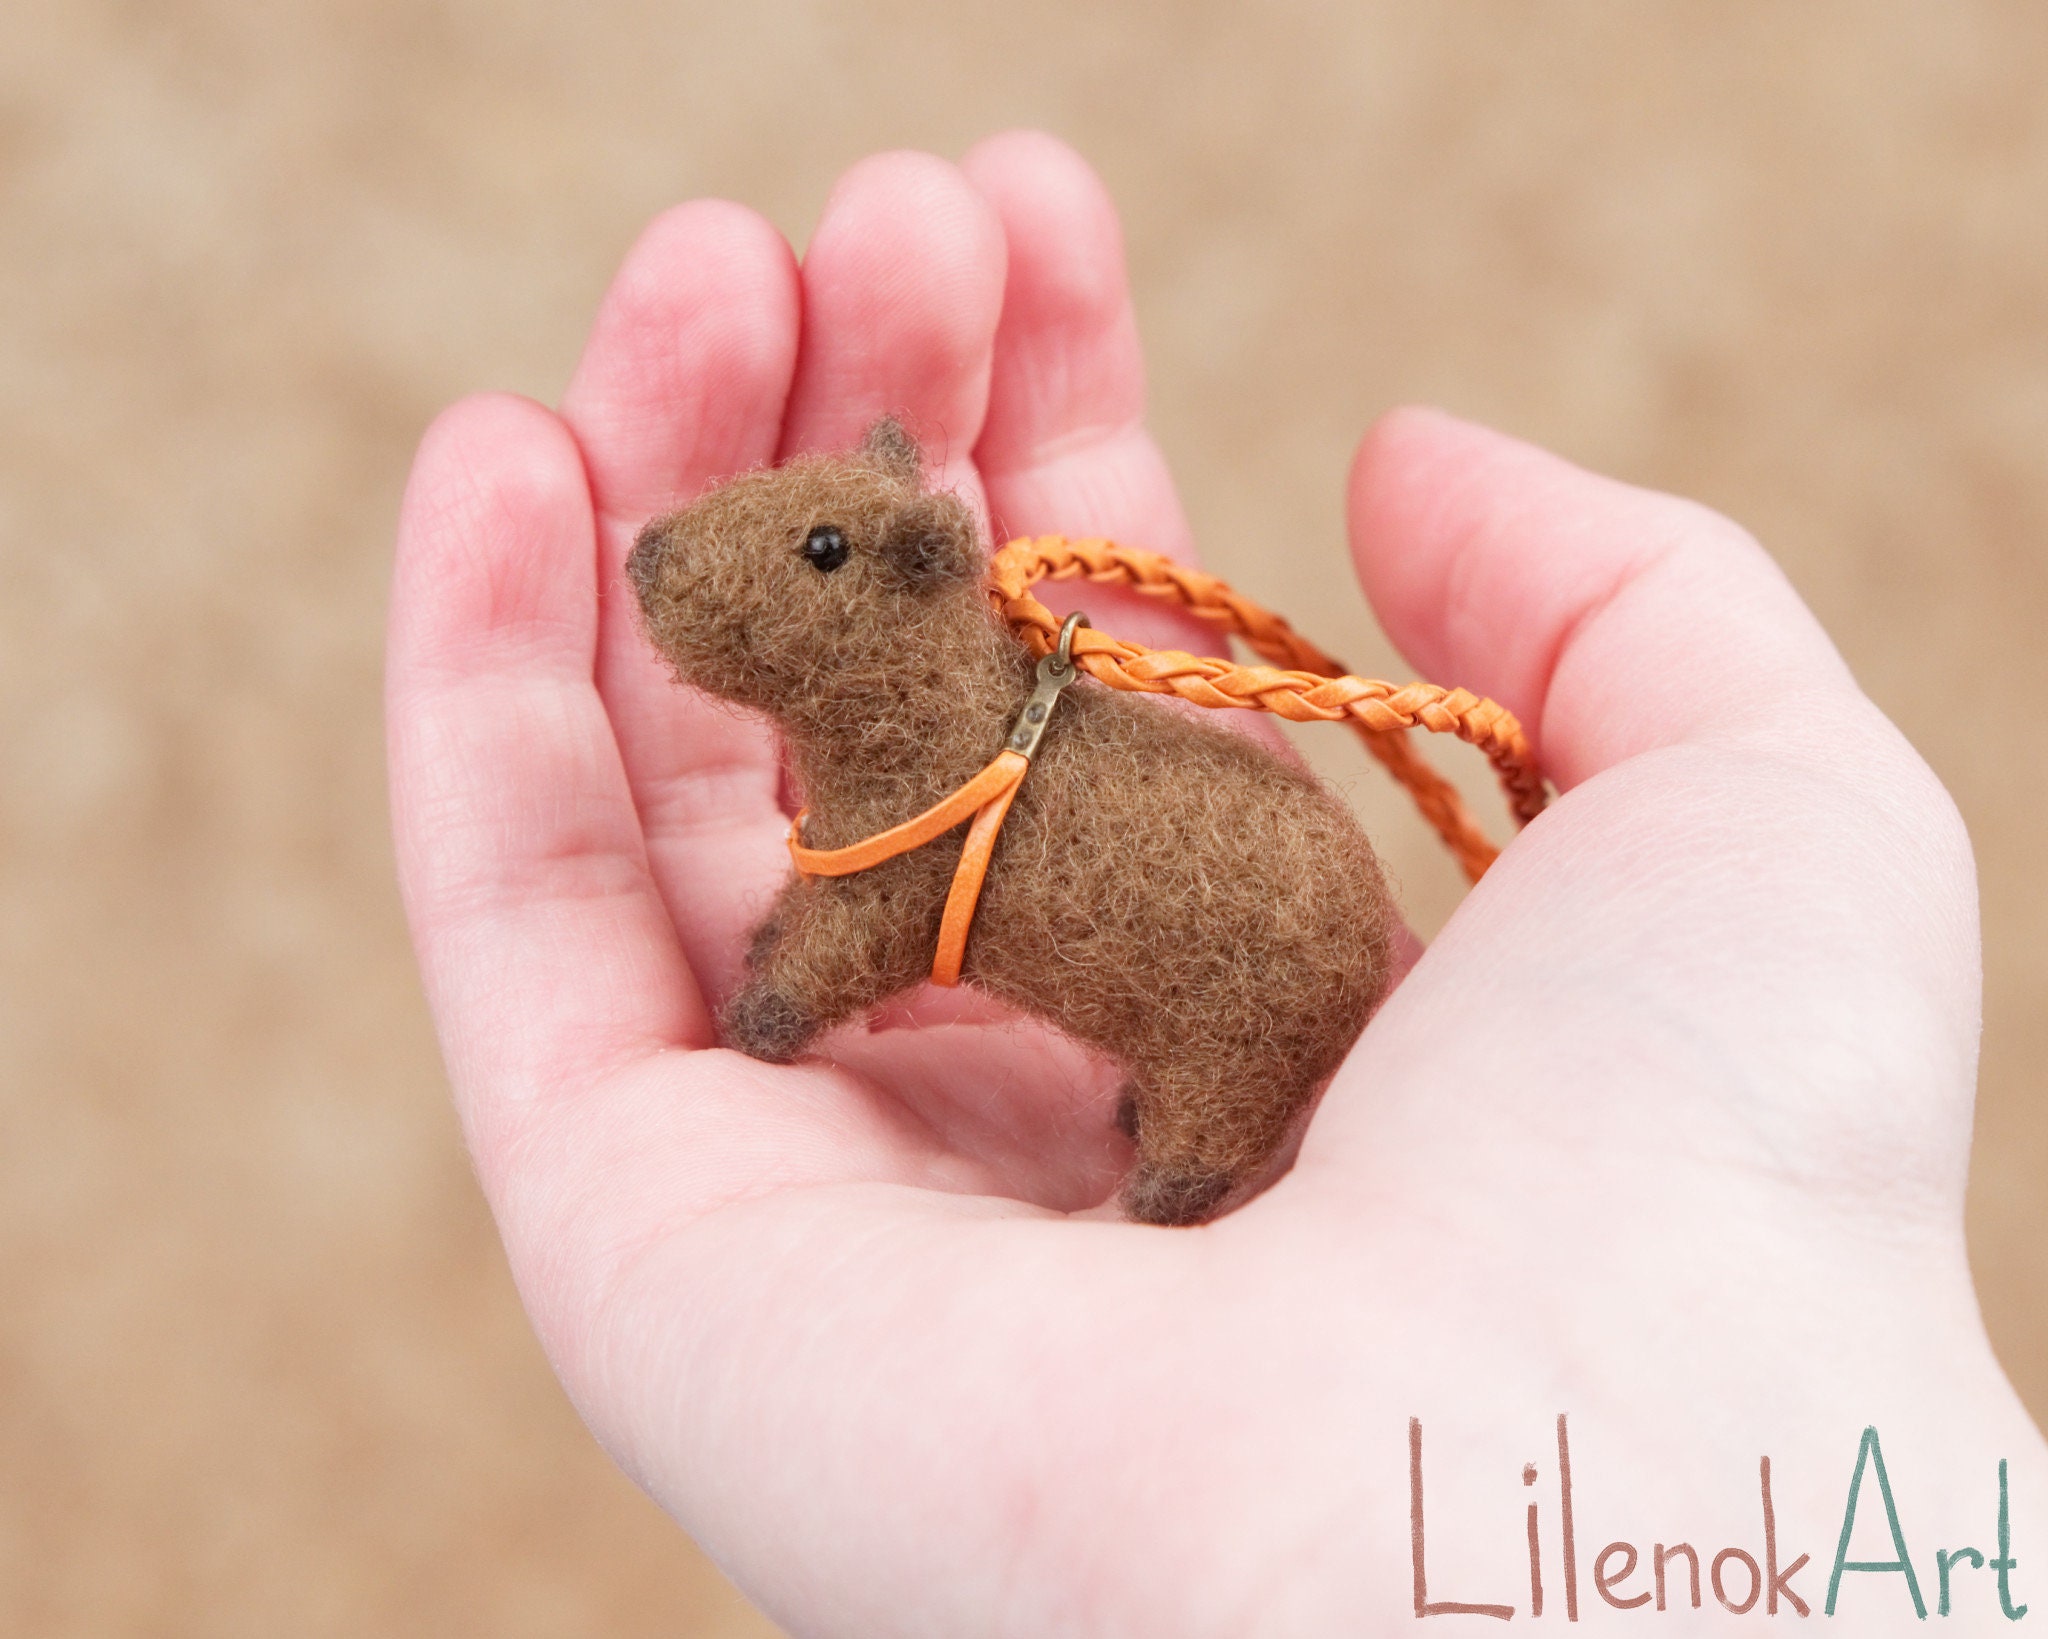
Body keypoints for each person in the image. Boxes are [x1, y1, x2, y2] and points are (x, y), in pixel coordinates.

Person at [384, 131, 2043, 1634]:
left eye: (815, 551)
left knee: (1215, 1040)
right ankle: (1197, 1119)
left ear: (912, 575)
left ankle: (1198, 1144)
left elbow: (871, 916)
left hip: (1262, 968)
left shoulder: (940, 776)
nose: (691, 561)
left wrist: (785, 998)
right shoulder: (912, 754)